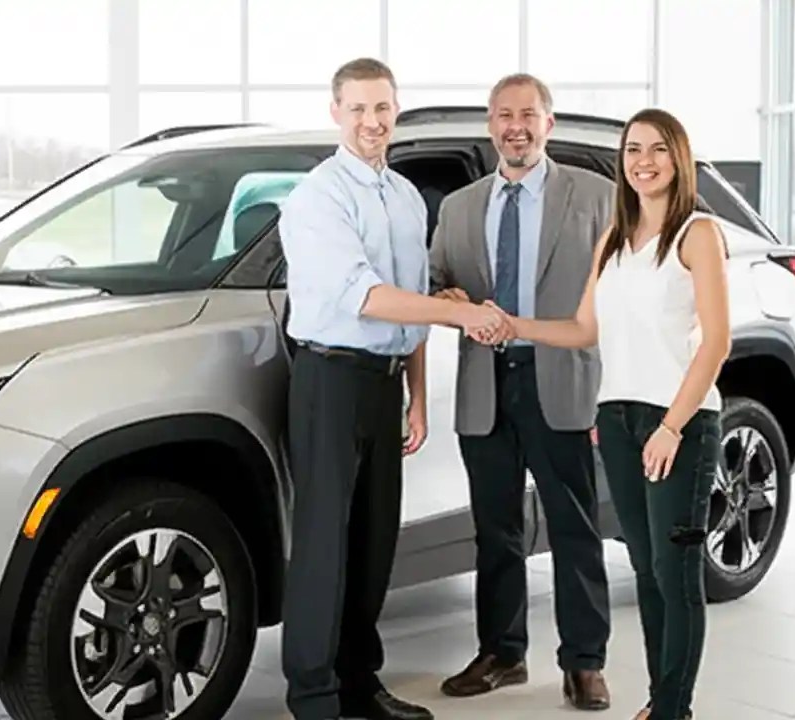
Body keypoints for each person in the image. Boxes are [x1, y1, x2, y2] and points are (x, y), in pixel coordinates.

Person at [278, 57, 505, 720]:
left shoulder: (405, 197)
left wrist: (415, 393)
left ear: (395, 109)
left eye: (382, 108)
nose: (372, 122)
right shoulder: (318, 197)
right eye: (358, 109)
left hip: (382, 386)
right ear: (336, 113)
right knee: (324, 545)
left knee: (374, 542)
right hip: (329, 379)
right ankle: (314, 698)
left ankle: (359, 684)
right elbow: (368, 298)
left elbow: (413, 301)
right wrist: (458, 313)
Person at [502, 108, 730, 720]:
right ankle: (664, 701)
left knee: (675, 572)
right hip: (621, 420)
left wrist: (672, 426)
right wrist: (509, 325)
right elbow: (583, 328)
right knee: (647, 569)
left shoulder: (697, 234)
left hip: (677, 423)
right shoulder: (614, 239)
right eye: (633, 150)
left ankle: (671, 708)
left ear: (678, 159)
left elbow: (715, 343)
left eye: (657, 149)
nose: (644, 161)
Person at [427, 73, 615, 710]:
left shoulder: (597, 197)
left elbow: (624, 302)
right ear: (491, 124)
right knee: (496, 528)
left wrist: (612, 395)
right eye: (504, 115)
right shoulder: (458, 207)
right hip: (485, 386)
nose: (516, 126)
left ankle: (584, 662)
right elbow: (436, 284)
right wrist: (447, 298)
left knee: (573, 525)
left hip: (562, 380)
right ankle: (502, 653)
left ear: (548, 123)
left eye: (528, 114)